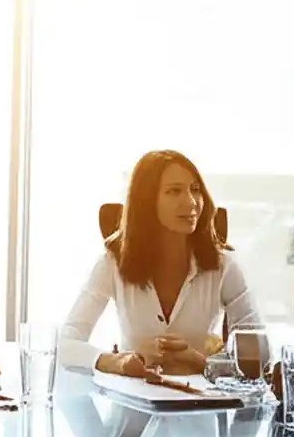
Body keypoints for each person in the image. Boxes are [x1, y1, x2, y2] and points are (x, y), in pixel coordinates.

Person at [60, 149, 262, 376]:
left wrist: (199, 362)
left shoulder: (224, 266)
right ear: (146, 201)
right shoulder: (113, 263)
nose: (191, 202)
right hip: (132, 396)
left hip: (199, 397)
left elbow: (259, 357)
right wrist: (119, 362)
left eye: (195, 189)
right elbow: (66, 344)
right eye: (174, 191)